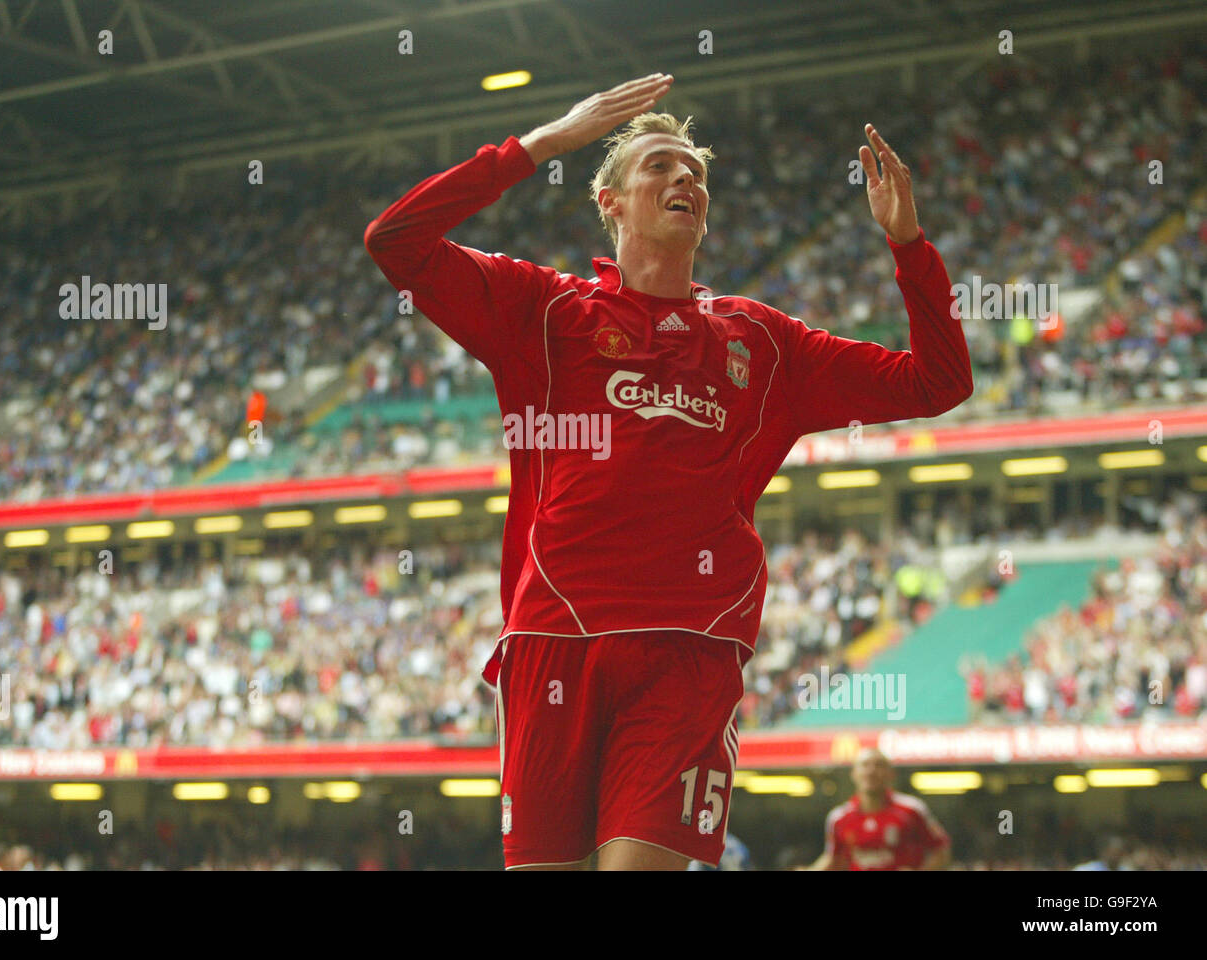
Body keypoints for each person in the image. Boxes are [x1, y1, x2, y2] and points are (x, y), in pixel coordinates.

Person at [365, 73, 972, 871]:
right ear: (609, 201)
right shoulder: (544, 312)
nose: (686, 179)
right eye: (660, 166)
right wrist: (543, 144)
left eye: (696, 173)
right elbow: (394, 240)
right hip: (554, 640)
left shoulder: (762, 343)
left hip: (690, 649)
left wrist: (909, 248)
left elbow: (939, 383)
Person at [803, 748, 951, 870]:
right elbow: (833, 858)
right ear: (854, 774)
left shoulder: (912, 810)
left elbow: (941, 850)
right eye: (865, 765)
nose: (871, 771)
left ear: (891, 774)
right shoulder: (839, 818)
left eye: (878, 765)